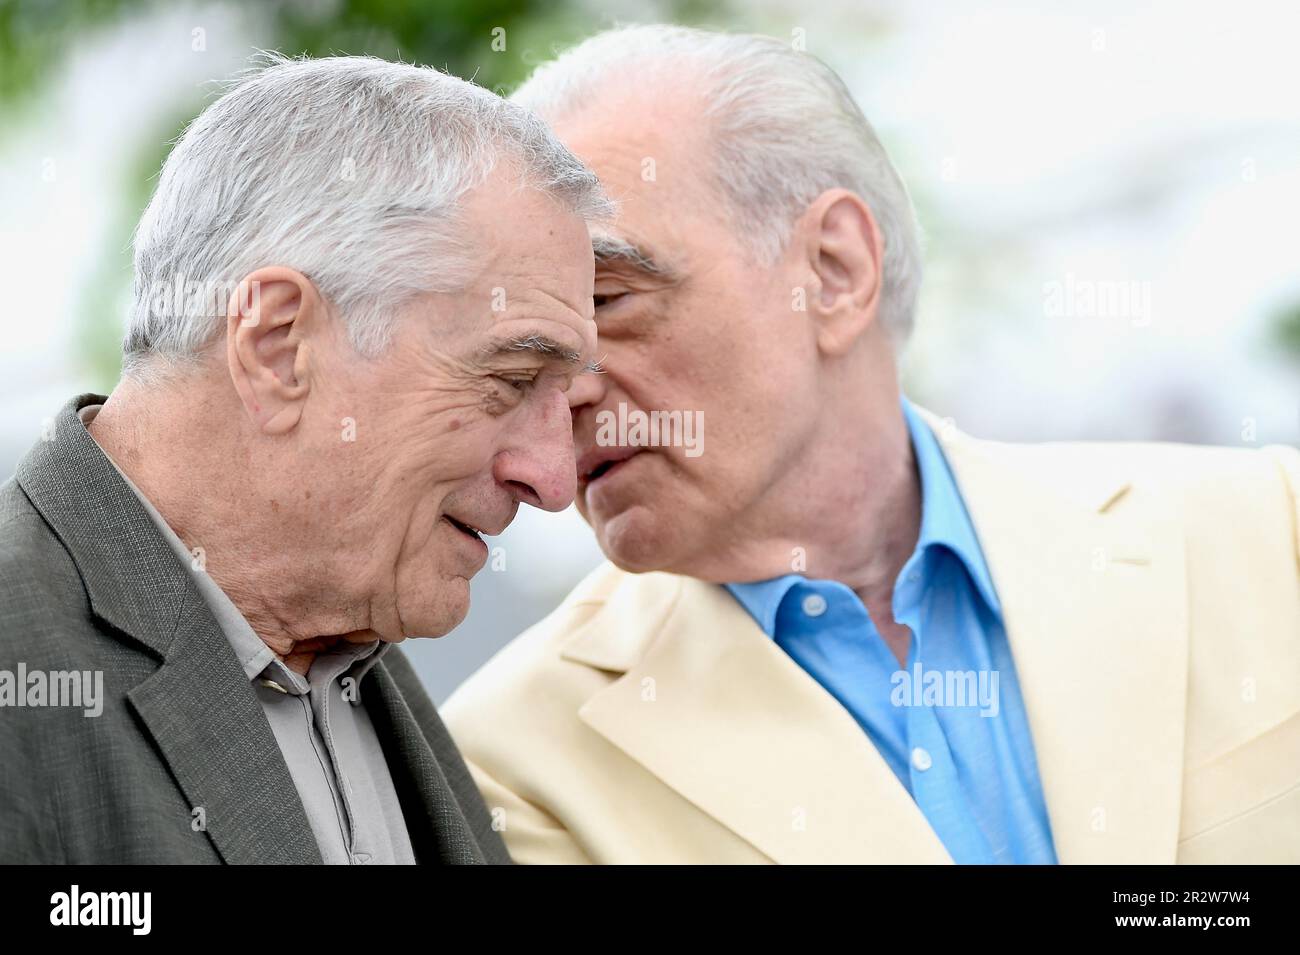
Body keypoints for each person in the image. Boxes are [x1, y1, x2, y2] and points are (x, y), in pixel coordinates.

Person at [443, 25, 1300, 864]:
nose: (562, 397)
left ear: (834, 271)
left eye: (609, 298)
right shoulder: (508, 765)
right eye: (526, 355)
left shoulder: (1269, 529)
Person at [0, 54, 607, 864]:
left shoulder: (350, 640)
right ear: (278, 345)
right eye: (510, 378)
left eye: (562, 397)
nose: (554, 480)